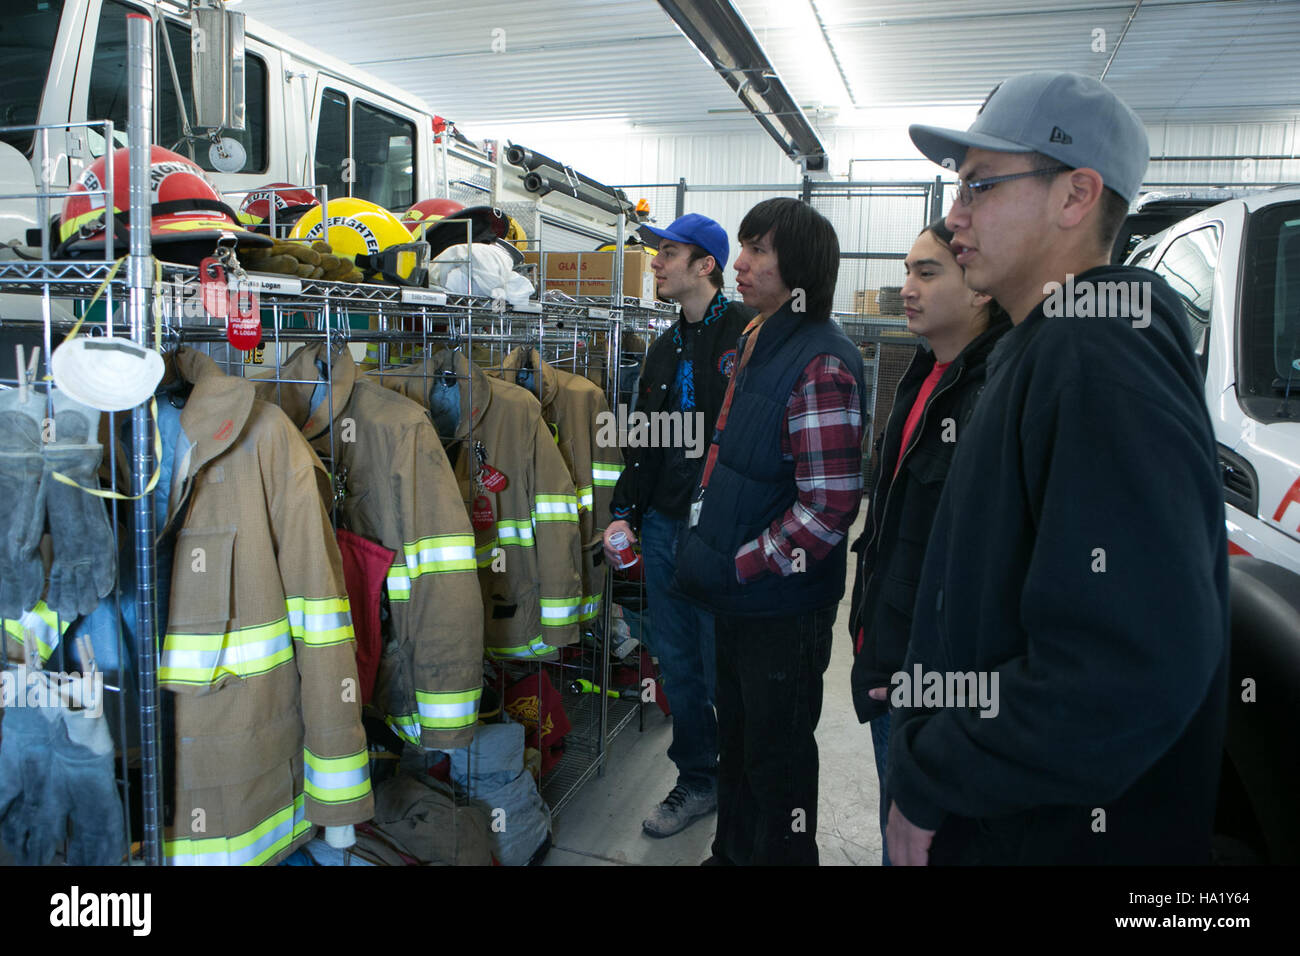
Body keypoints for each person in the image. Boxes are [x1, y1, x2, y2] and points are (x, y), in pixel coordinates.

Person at [887, 71, 1229, 864]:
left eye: (979, 186)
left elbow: (1128, 669)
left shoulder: (1098, 354)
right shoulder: (1042, 344)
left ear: (1076, 196)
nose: (954, 214)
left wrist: (936, 773)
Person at [673, 198, 867, 865]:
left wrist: (743, 564)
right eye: (743, 245)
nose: (741, 262)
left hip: (781, 606)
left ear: (802, 268)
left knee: (777, 760)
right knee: (742, 748)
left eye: (759, 248)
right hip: (744, 601)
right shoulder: (758, 340)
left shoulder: (822, 363)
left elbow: (829, 506)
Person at [846, 219, 1011, 865]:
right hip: (890, 652)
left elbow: (982, 576)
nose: (906, 287)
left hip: (929, 682)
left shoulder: (991, 392)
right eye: (907, 270)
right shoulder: (923, 373)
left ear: (979, 289)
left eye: (927, 272)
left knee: (923, 845)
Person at [602, 213, 754, 838]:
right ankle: (697, 780)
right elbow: (642, 441)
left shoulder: (751, 334)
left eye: (669, 252)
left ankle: (744, 782)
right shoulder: (663, 348)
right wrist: (624, 513)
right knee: (680, 663)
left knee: (729, 663)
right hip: (665, 527)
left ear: (706, 265)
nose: (657, 263)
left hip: (725, 532)